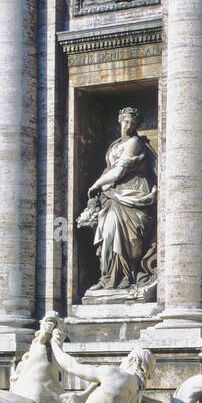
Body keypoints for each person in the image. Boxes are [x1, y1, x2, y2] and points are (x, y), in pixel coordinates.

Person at [80, 107, 157, 293]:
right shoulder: (114, 145)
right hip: (113, 193)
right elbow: (109, 170)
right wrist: (102, 185)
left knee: (127, 236)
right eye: (126, 121)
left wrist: (96, 185)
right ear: (119, 120)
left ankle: (126, 277)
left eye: (133, 123)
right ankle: (108, 277)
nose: (129, 126)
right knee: (107, 232)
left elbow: (119, 171)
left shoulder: (135, 143)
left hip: (133, 190)